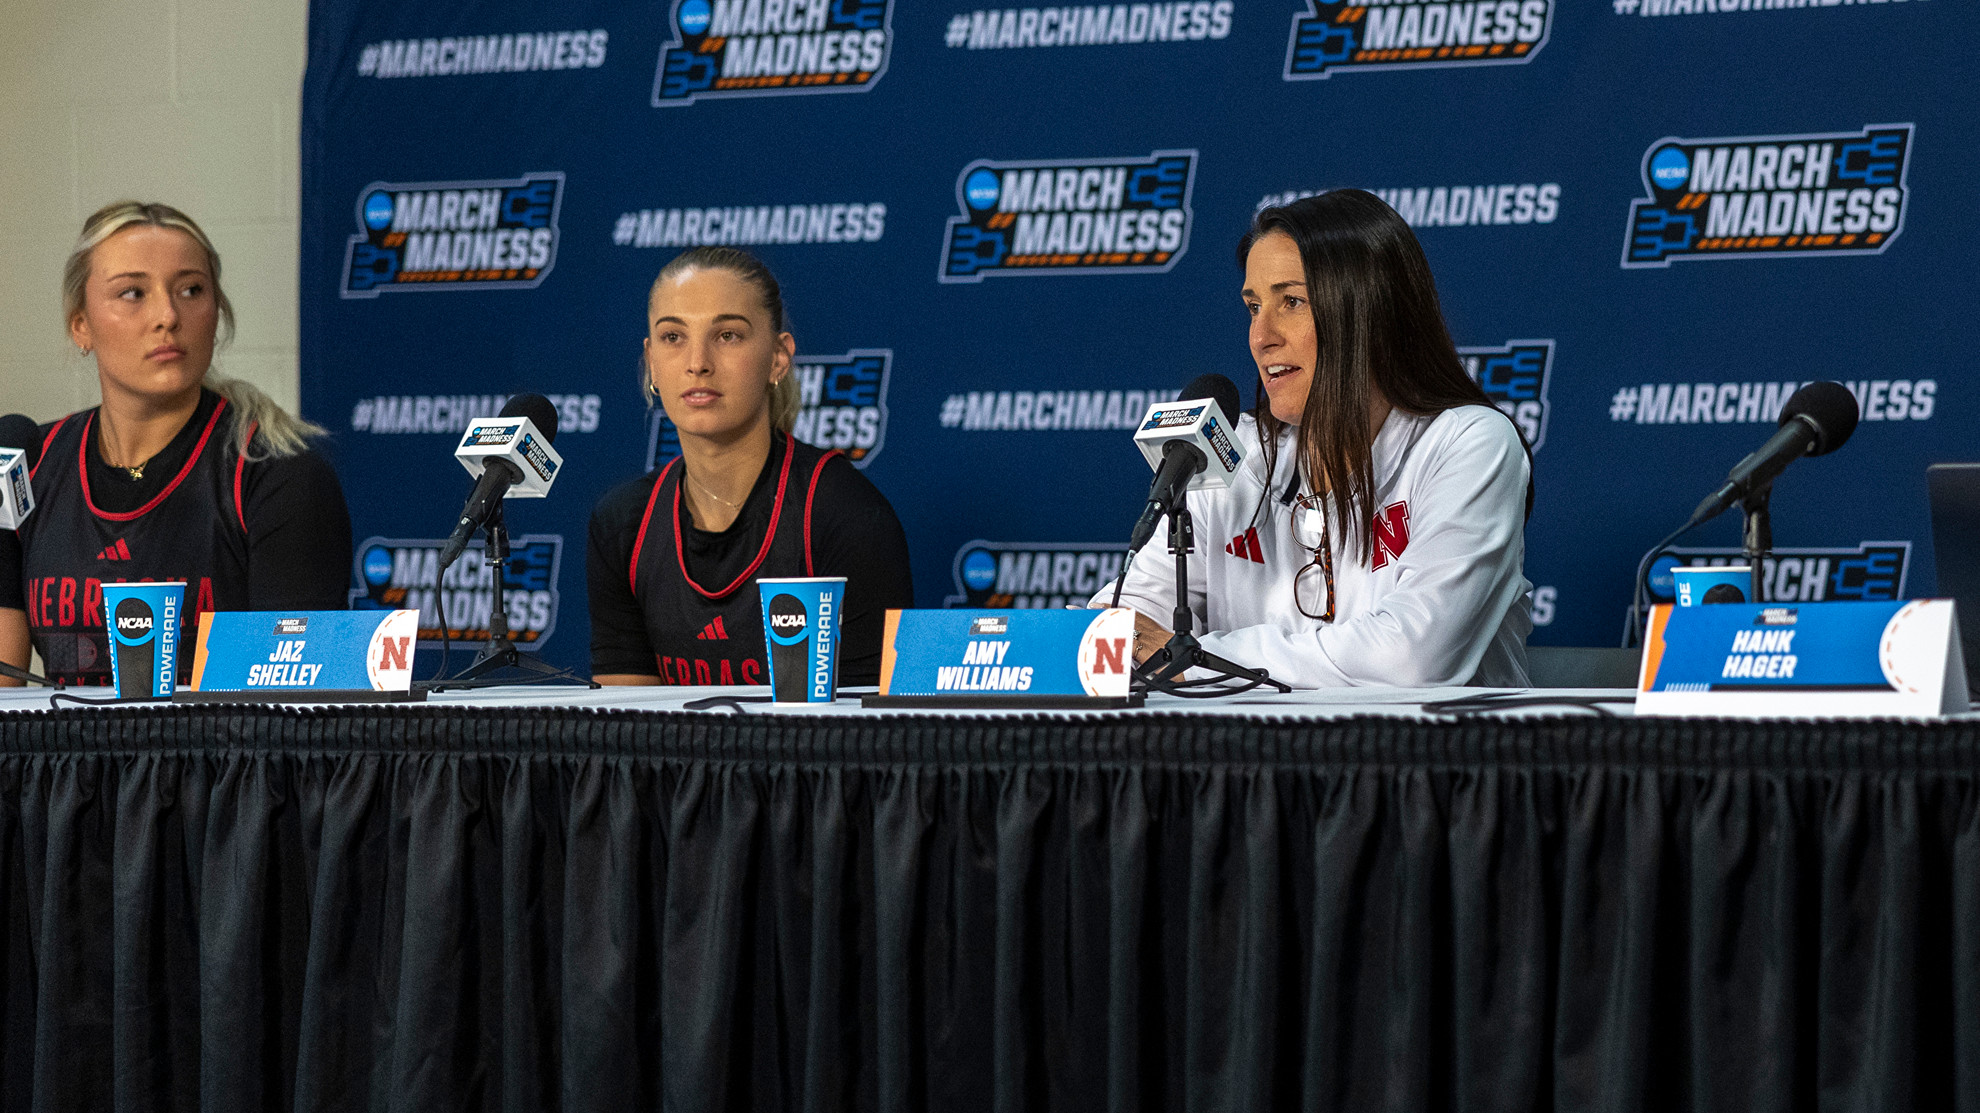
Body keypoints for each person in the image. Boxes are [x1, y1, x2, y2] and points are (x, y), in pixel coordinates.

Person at [1094, 189, 1533, 687]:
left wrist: (1195, 659)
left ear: (1368, 313)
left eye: (1292, 302)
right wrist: (1157, 649)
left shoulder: (1468, 443)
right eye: (1254, 306)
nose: (1262, 336)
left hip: (1442, 761)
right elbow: (1119, 627)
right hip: (1261, 762)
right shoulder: (1228, 453)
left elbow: (1410, 660)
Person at [0, 201, 353, 687]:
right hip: (66, 762)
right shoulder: (25, 467)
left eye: (191, 290)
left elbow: (296, 700)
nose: (167, 315)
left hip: (228, 762)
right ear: (80, 325)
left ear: (217, 312)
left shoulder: (279, 474)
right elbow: (5, 694)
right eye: (132, 293)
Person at [588, 247, 913, 686]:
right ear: (651, 364)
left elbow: (873, 734)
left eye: (727, 336)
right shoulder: (623, 523)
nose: (697, 362)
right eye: (673, 337)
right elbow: (623, 732)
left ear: (778, 358)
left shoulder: (844, 514)